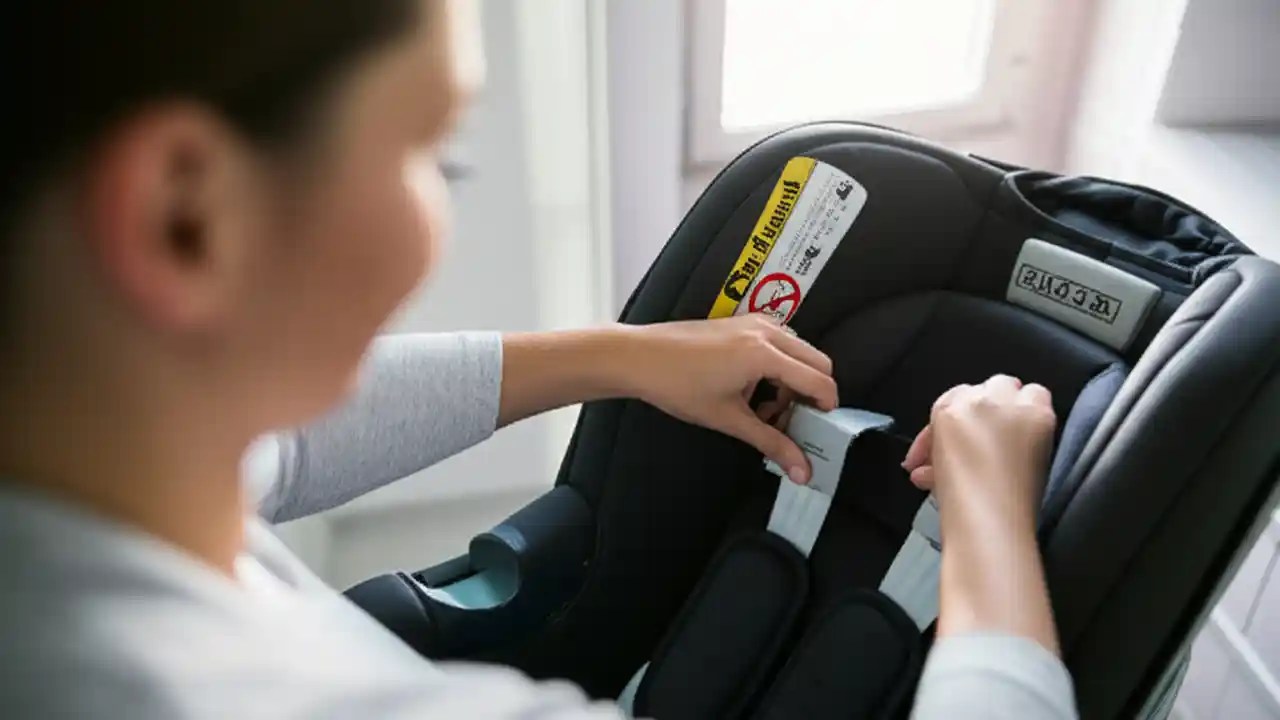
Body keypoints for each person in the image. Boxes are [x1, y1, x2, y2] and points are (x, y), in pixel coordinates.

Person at [0, 1, 1076, 718]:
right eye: (435, 155)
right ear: (186, 218)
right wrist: (984, 517)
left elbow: (270, 451)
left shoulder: (78, 459)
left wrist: (620, 357)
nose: (436, 211)